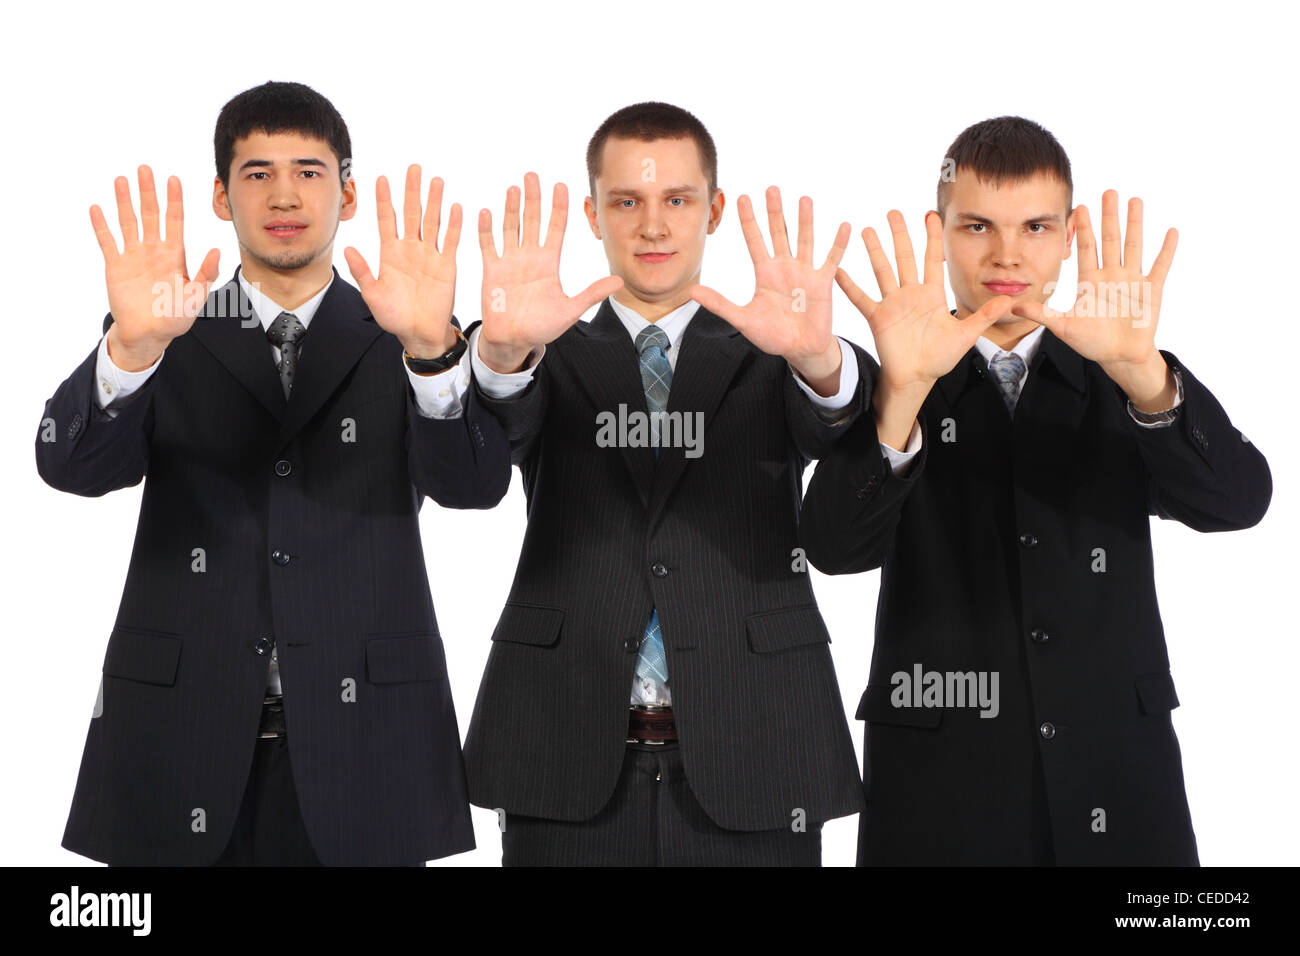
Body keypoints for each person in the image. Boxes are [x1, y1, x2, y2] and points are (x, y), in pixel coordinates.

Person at [34, 81, 510, 866]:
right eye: (257, 174)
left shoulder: (405, 329)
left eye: (308, 171)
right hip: (179, 732)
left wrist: (433, 353)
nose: (283, 195)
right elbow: (70, 465)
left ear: (346, 193)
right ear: (222, 197)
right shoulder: (167, 325)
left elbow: (474, 487)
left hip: (368, 737)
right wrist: (131, 349)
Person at [799, 115, 1272, 865]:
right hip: (939, 788)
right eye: (977, 226)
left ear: (1069, 236)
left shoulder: (1124, 377)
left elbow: (1239, 503)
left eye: (1036, 226)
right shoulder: (898, 378)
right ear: (940, 232)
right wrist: (902, 394)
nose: (1007, 254)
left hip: (1116, 774)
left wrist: (1143, 372)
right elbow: (832, 548)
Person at [460, 101, 872, 865]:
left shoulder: (776, 346)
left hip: (758, 747)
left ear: (713, 212)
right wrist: (504, 357)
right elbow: (489, 436)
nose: (652, 226)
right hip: (563, 747)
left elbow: (842, 432)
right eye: (627, 202)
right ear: (593, 215)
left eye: (677, 200)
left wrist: (819, 363)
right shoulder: (544, 347)